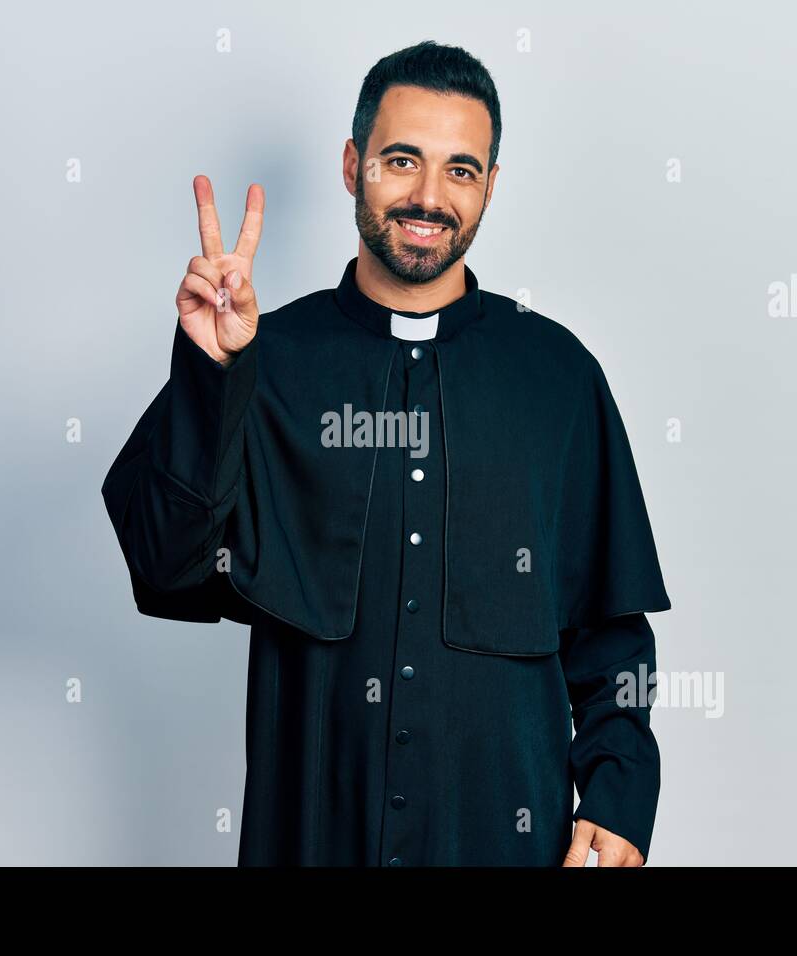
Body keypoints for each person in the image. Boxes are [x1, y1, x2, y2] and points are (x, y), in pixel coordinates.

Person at [101, 40, 672, 866]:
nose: (429, 197)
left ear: (491, 186)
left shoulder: (558, 378)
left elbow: (613, 633)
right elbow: (165, 566)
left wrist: (620, 795)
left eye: (461, 170)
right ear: (351, 164)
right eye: (402, 160)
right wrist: (211, 374)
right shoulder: (264, 358)